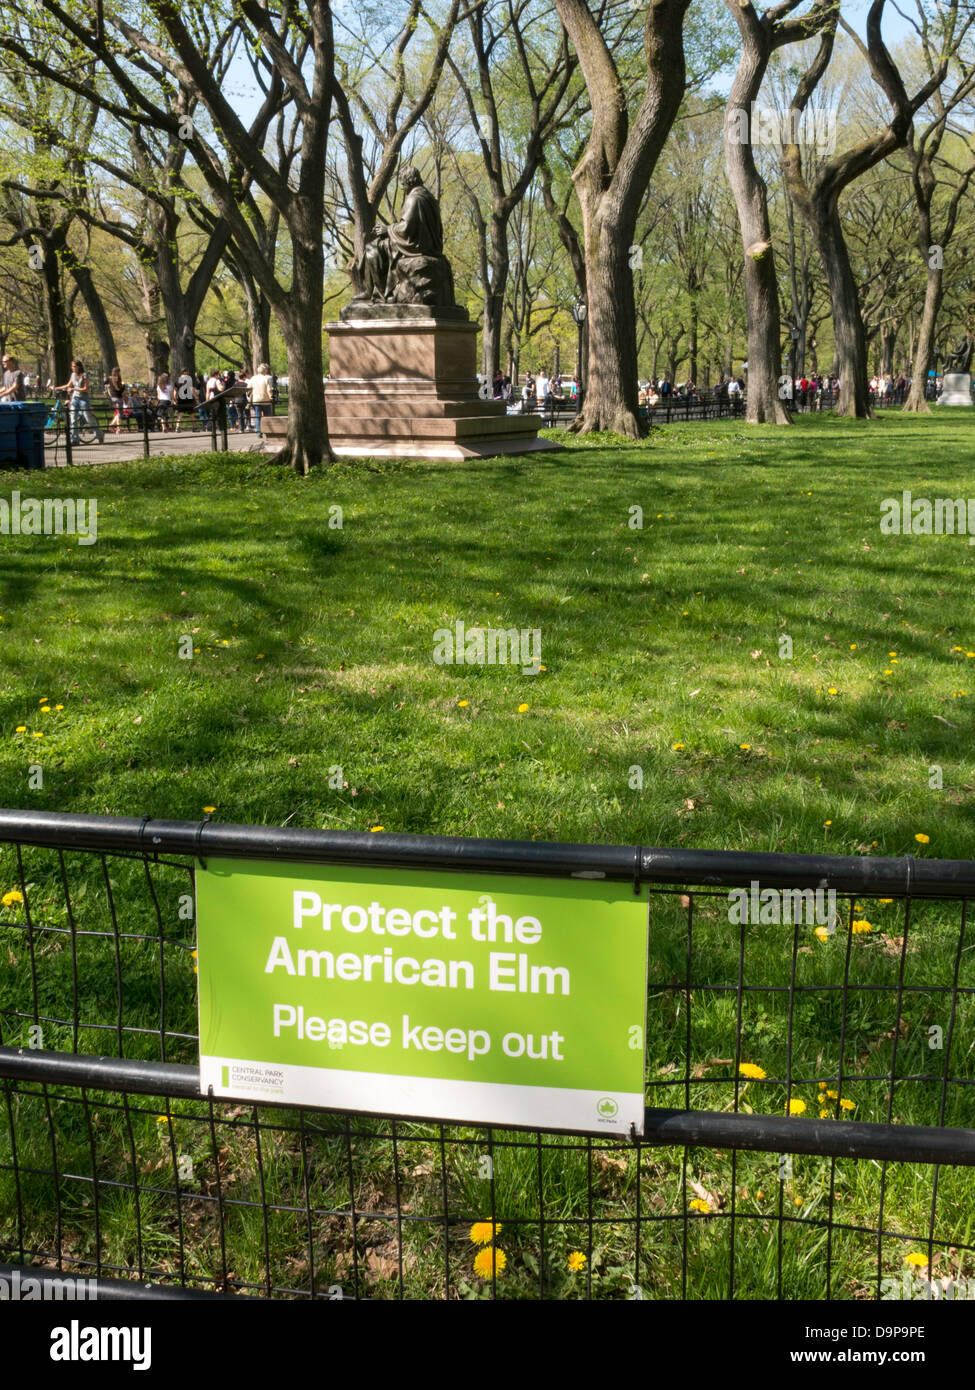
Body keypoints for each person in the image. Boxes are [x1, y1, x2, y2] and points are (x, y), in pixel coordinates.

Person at [56, 359, 104, 444]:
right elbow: (68, 385)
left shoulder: (84, 375)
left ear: (79, 367)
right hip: (75, 399)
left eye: (74, 366)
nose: (72, 368)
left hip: (84, 400)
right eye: (72, 366)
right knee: (73, 419)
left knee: (89, 419)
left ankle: (99, 434)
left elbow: (85, 389)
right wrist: (56, 388)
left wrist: (74, 388)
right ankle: (75, 439)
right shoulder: (72, 375)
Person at [248, 362, 274, 437]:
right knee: (267, 416)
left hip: (256, 400)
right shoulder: (267, 378)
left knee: (257, 416)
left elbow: (249, 388)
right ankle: (268, 431)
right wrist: (271, 397)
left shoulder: (253, 378)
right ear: (264, 371)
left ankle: (259, 432)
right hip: (265, 400)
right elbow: (269, 389)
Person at [105, 366, 131, 432]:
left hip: (112, 398)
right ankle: (117, 428)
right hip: (118, 398)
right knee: (120, 414)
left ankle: (114, 426)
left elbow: (104, 383)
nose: (119, 373)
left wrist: (108, 388)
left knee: (119, 413)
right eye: (119, 372)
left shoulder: (109, 378)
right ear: (117, 372)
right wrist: (123, 385)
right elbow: (119, 391)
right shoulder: (116, 379)